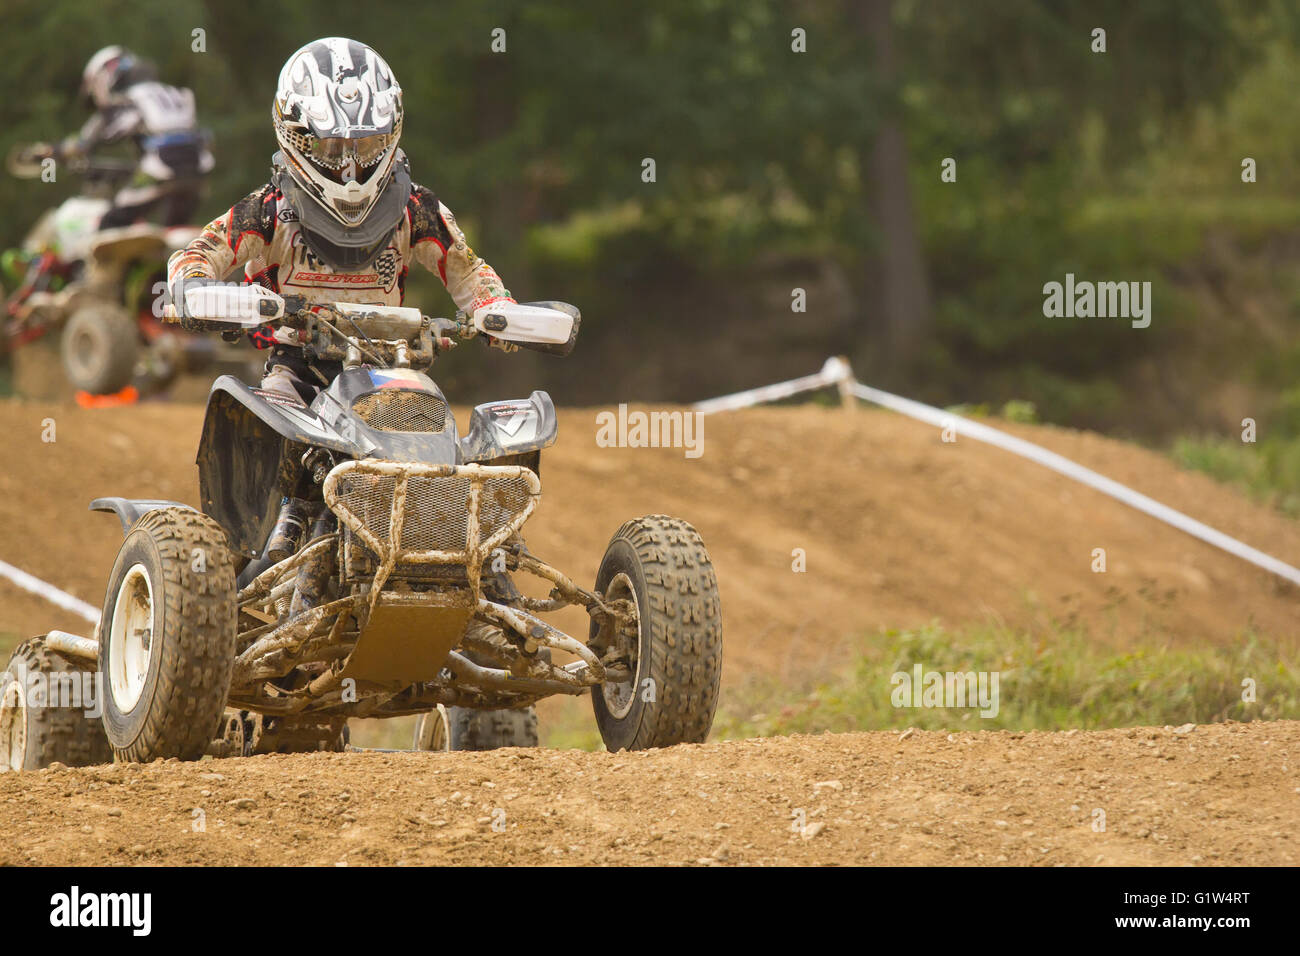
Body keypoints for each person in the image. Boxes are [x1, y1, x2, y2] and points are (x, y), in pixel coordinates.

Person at [167, 36, 516, 404]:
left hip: (392, 371)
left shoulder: (415, 208)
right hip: (297, 372)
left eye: (365, 146)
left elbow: (469, 272)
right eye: (331, 148)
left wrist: (496, 310)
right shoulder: (269, 210)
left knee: (441, 428)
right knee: (253, 414)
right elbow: (199, 255)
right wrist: (196, 288)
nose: (350, 167)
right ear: (295, 137)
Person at [64, 46, 213, 228]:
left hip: (161, 166)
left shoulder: (130, 98)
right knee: (176, 228)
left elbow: (99, 137)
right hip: (198, 168)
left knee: (109, 223)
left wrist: (58, 150)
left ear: (103, 77)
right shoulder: (173, 91)